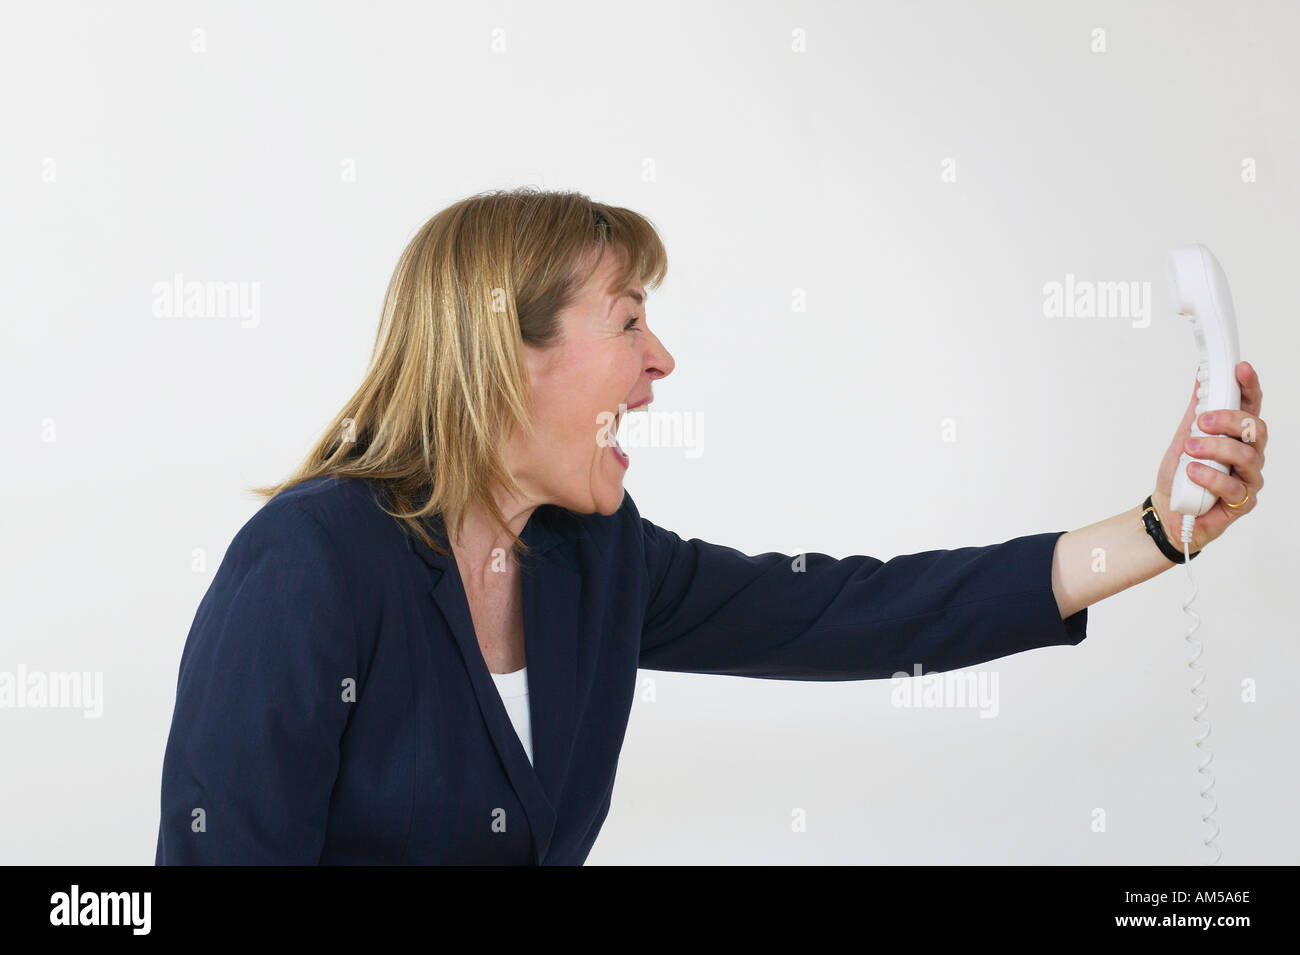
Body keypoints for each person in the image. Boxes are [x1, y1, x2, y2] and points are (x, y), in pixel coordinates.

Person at [154, 187, 1267, 864]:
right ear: (510, 354)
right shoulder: (312, 565)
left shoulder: (592, 558)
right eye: (628, 320)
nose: (660, 362)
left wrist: (1157, 529)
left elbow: (851, 612)